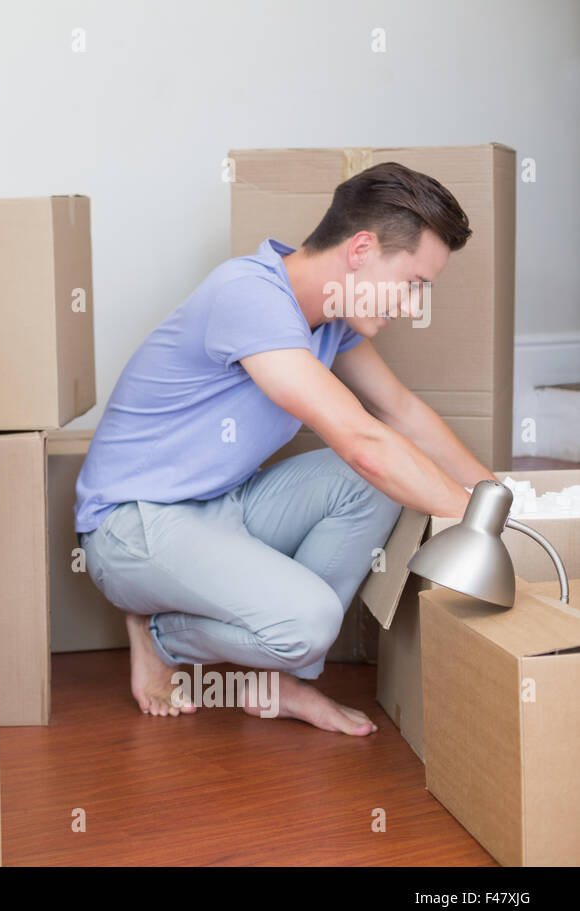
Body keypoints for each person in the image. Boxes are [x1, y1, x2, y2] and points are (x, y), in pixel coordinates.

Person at [75, 161, 494, 735]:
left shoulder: (331, 319)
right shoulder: (247, 294)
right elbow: (363, 441)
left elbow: (400, 412)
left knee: (371, 488)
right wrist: (480, 525)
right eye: (414, 283)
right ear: (362, 249)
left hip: (222, 508)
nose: (413, 305)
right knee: (313, 614)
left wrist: (504, 503)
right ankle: (160, 635)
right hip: (133, 525)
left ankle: (278, 680)